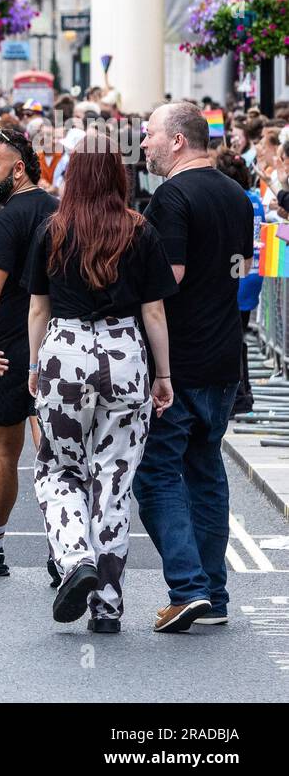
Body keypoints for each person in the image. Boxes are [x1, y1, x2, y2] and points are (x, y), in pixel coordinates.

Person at [25, 133, 176, 633]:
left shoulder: (53, 229)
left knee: (57, 469)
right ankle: (108, 606)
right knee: (114, 480)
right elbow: (154, 311)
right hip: (124, 355)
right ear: (117, 173)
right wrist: (164, 375)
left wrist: (33, 367)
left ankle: (75, 559)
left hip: (64, 354)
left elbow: (38, 308)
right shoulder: (141, 230)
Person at [133, 102, 254, 633]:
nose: (143, 144)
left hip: (178, 361)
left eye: (149, 135)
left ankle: (188, 588)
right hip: (225, 357)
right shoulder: (235, 194)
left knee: (156, 473)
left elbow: (169, 278)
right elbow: (238, 272)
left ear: (178, 141)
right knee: (206, 470)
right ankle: (215, 592)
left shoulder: (173, 197)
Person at [0, 128, 59, 576]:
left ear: (18, 168)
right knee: (56, 451)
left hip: (5, 348)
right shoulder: (61, 211)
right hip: (57, 345)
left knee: (3, 448)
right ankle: (66, 549)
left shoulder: (5, 220)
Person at [214, 150, 263, 417]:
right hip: (252, 272)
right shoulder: (254, 199)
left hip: (235, 273)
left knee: (233, 338)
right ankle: (243, 393)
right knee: (239, 336)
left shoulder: (231, 200)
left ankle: (239, 394)